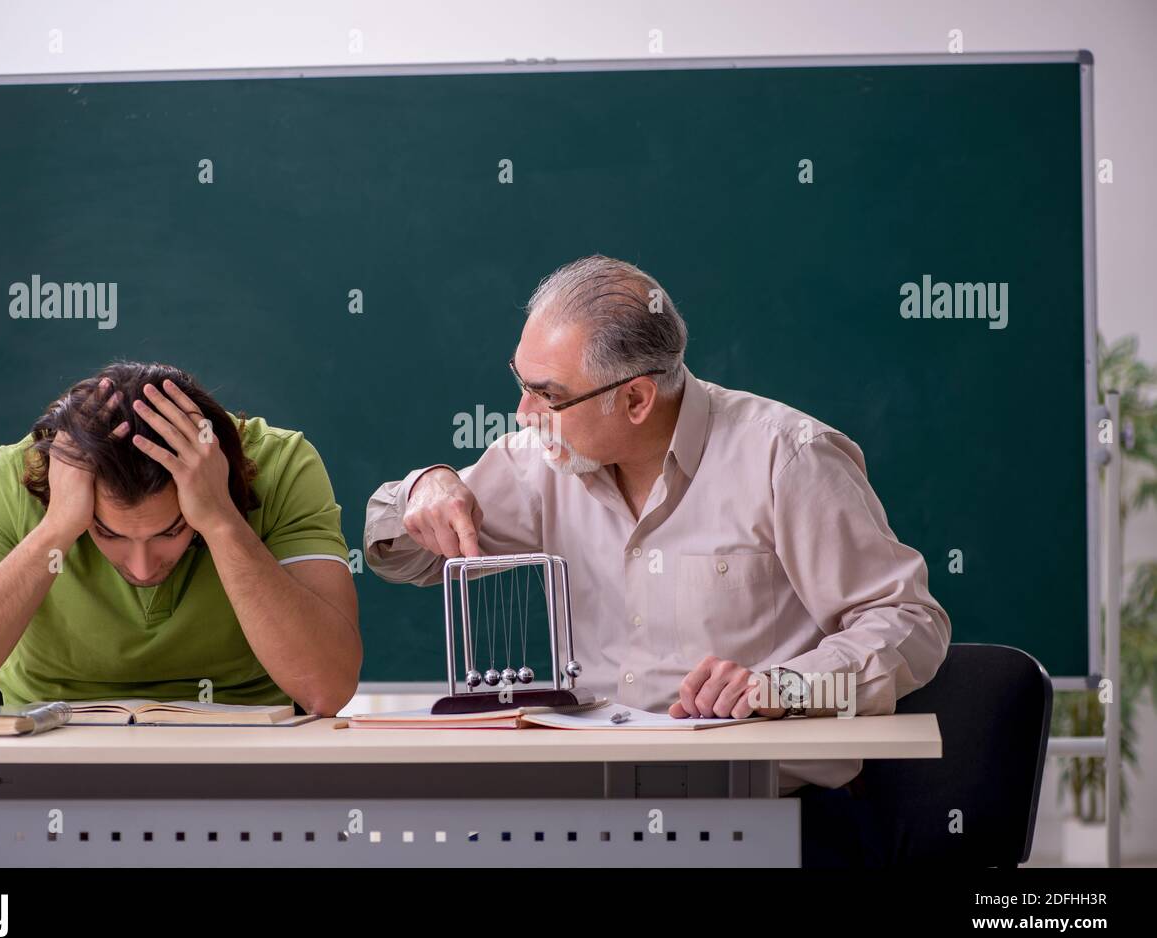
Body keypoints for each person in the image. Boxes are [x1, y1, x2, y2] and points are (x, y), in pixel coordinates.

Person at [363, 255, 951, 865]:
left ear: (637, 399)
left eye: (546, 395)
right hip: (589, 824)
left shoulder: (787, 457)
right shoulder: (538, 460)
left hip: (769, 819)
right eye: (520, 381)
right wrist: (425, 488)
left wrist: (784, 686)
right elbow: (397, 556)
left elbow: (910, 623)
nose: (522, 414)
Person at [0, 361, 360, 714]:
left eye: (171, 530)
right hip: (45, 767)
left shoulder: (283, 466)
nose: (141, 567)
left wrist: (219, 519)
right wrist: (58, 526)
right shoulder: (13, 477)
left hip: (250, 764)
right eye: (108, 533)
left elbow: (328, 688)